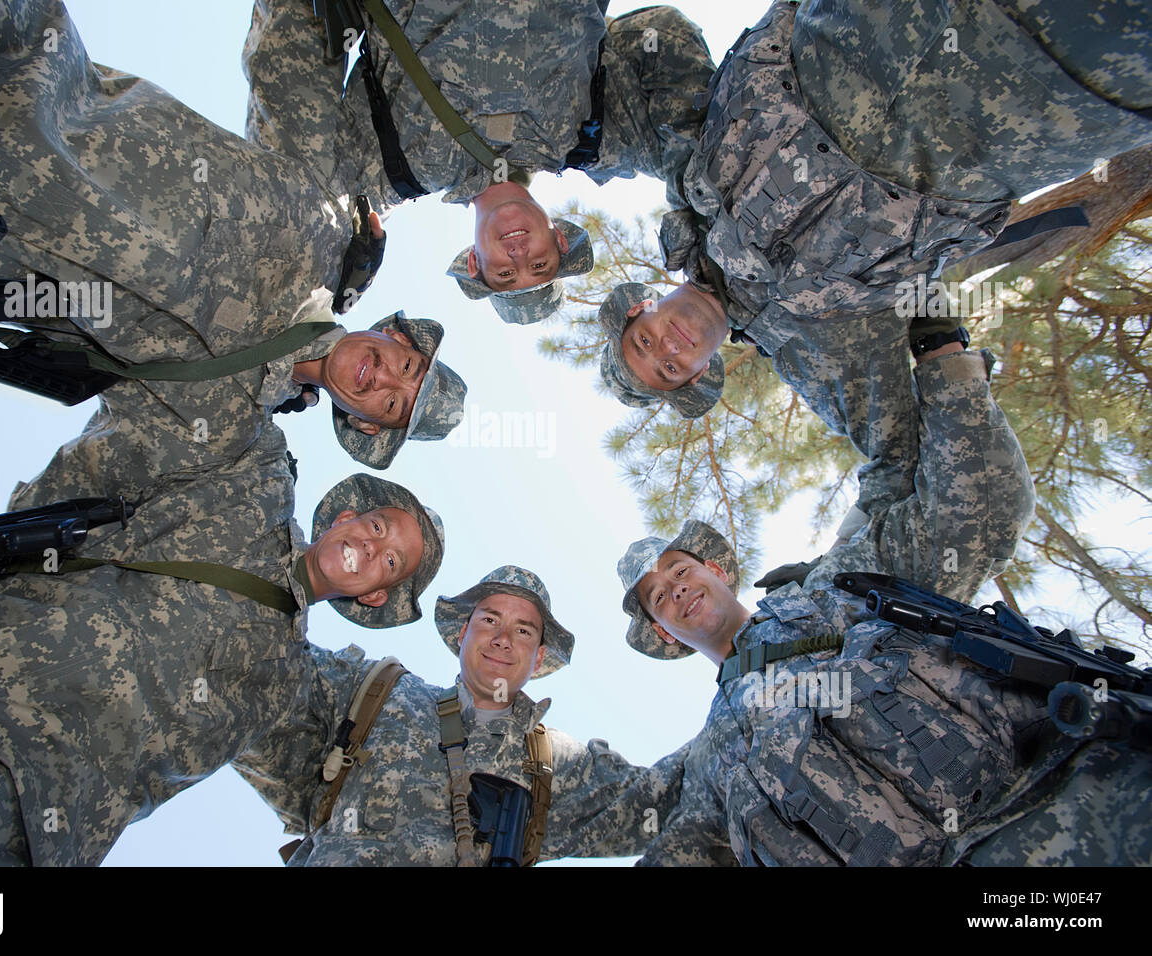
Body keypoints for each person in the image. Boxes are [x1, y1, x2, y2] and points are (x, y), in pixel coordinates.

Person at [0, 371, 446, 866]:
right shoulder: (253, 487)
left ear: (376, 595)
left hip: (11, 817)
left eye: (391, 561)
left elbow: (318, 787)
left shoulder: (284, 684)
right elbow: (186, 385)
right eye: (377, 526)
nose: (371, 548)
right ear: (344, 518)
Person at [599, 0, 1152, 529]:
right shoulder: (824, 352)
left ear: (642, 306)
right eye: (670, 369)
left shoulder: (685, 174)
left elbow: (652, 40)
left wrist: (582, 145)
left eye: (644, 341)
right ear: (701, 373)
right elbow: (910, 475)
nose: (667, 348)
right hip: (1057, 90)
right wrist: (842, 575)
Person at [0, 0, 465, 467]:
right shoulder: (328, 229)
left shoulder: (216, 420)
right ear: (392, 335)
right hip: (5, 62)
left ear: (363, 423)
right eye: (407, 365)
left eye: (392, 403)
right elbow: (292, 55)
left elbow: (95, 495)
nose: (386, 378)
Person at [617, 348, 1151, 865]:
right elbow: (629, 822)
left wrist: (944, 358)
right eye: (658, 596)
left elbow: (973, 511)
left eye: (680, 570)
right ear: (663, 632)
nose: (676, 589)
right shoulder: (712, 762)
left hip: (1095, 794)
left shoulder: (837, 589)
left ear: (717, 571)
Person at [244, 0, 717, 323]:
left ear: (475, 260)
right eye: (541, 264)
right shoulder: (591, 136)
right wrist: (695, 205)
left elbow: (289, 160)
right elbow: (661, 35)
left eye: (505, 273)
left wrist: (333, 272)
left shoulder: (396, 170)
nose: (520, 257)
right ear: (557, 235)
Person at [233, 566, 687, 865]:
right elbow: (258, 669)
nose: (503, 638)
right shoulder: (375, 692)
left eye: (523, 630)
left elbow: (675, 796)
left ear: (538, 658)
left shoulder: (557, 764)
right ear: (462, 634)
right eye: (489, 620)